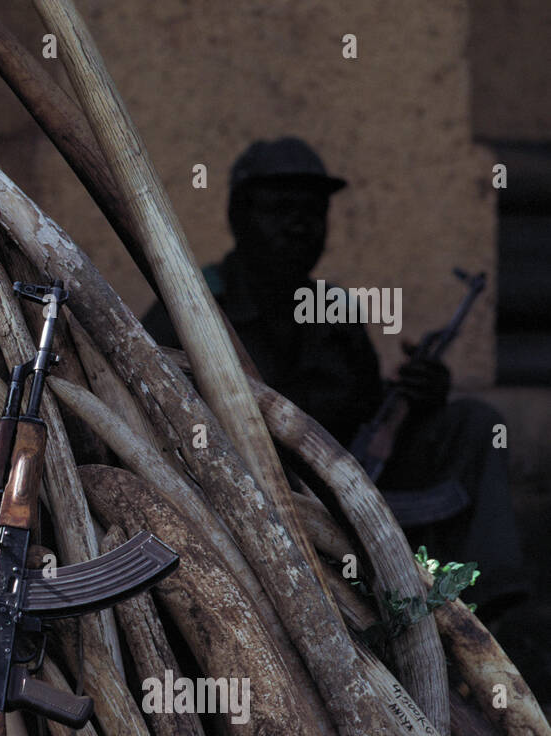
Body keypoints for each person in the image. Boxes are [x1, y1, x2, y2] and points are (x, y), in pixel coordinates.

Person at [142, 137, 528, 620]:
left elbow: (370, 414)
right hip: (239, 507)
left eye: (313, 211)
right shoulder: (190, 305)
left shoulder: (336, 310)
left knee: (474, 422)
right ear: (239, 217)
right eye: (280, 210)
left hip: (347, 494)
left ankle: (483, 609)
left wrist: (419, 397)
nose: (300, 225)